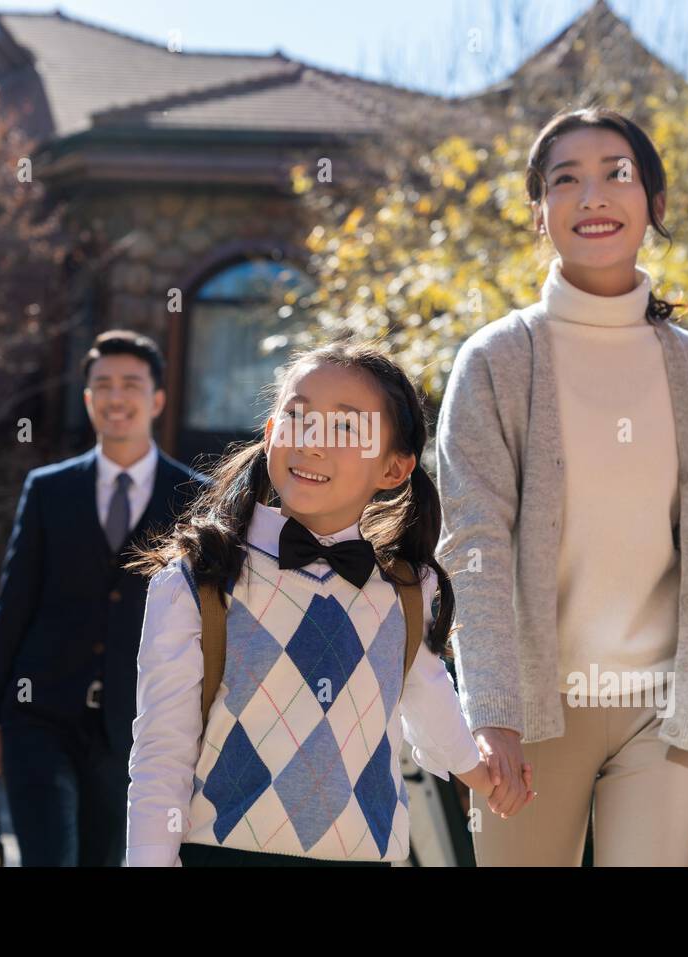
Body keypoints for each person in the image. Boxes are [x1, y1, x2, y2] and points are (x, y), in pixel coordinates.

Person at [436, 106, 688, 866]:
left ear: (656, 205)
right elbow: (471, 545)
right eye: (565, 180)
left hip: (662, 716)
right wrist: (492, 710)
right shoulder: (497, 359)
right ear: (541, 214)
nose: (593, 195)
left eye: (618, 174)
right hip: (533, 716)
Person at [123, 340, 534, 866]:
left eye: (345, 428)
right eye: (297, 418)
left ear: (394, 468)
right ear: (270, 435)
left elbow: (430, 700)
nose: (312, 443)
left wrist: (486, 776)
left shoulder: (407, 592)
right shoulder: (199, 578)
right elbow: (161, 754)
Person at [0, 330, 209, 866]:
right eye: (103, 385)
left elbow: (205, 615)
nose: (116, 397)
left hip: (132, 722)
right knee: (48, 856)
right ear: (87, 399)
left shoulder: (192, 495)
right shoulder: (48, 489)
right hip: (38, 714)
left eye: (131, 384)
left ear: (157, 399)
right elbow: (12, 605)